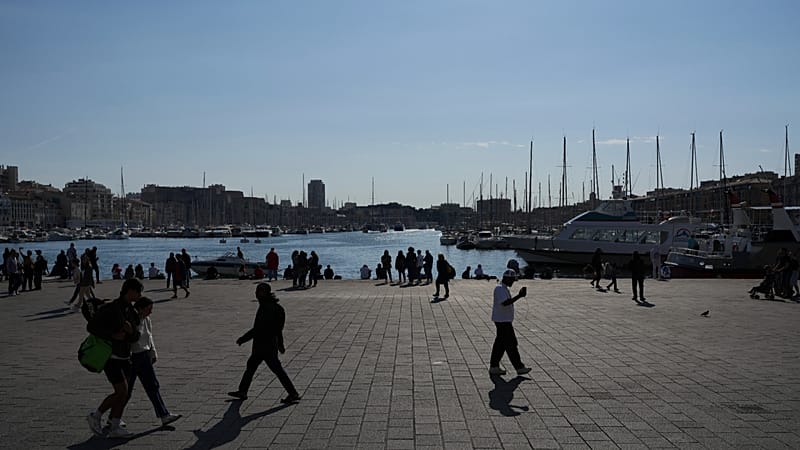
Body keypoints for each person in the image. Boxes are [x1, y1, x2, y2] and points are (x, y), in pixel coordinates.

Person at [86, 278, 144, 439]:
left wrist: (131, 331)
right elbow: (91, 327)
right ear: (129, 291)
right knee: (122, 391)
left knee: (123, 394)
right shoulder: (111, 308)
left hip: (125, 357)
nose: (140, 295)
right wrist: (112, 335)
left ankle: (115, 425)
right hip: (111, 356)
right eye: (138, 291)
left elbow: (135, 337)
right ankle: (96, 415)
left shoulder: (131, 311)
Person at [228, 283, 301, 404]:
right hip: (266, 344)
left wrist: (243, 338)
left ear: (266, 293)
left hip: (264, 345)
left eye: (260, 291)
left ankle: (293, 393)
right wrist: (280, 344)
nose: (256, 294)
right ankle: (242, 391)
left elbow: (260, 329)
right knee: (252, 366)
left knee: (276, 369)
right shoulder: (273, 306)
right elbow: (279, 329)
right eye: (257, 291)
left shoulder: (267, 308)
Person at [128, 297, 181, 426]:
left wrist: (153, 352)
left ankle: (163, 414)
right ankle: (110, 416)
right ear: (140, 308)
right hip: (133, 357)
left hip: (144, 355)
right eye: (148, 309)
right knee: (126, 390)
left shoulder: (147, 320)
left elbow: (149, 336)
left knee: (152, 386)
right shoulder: (132, 321)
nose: (150, 312)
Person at [489, 269, 531, 376]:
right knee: (511, 344)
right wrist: (519, 296)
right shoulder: (499, 289)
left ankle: (494, 366)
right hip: (502, 321)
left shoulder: (504, 288)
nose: (513, 282)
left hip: (504, 320)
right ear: (506, 278)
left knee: (500, 344)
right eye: (512, 280)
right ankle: (519, 367)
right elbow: (505, 303)